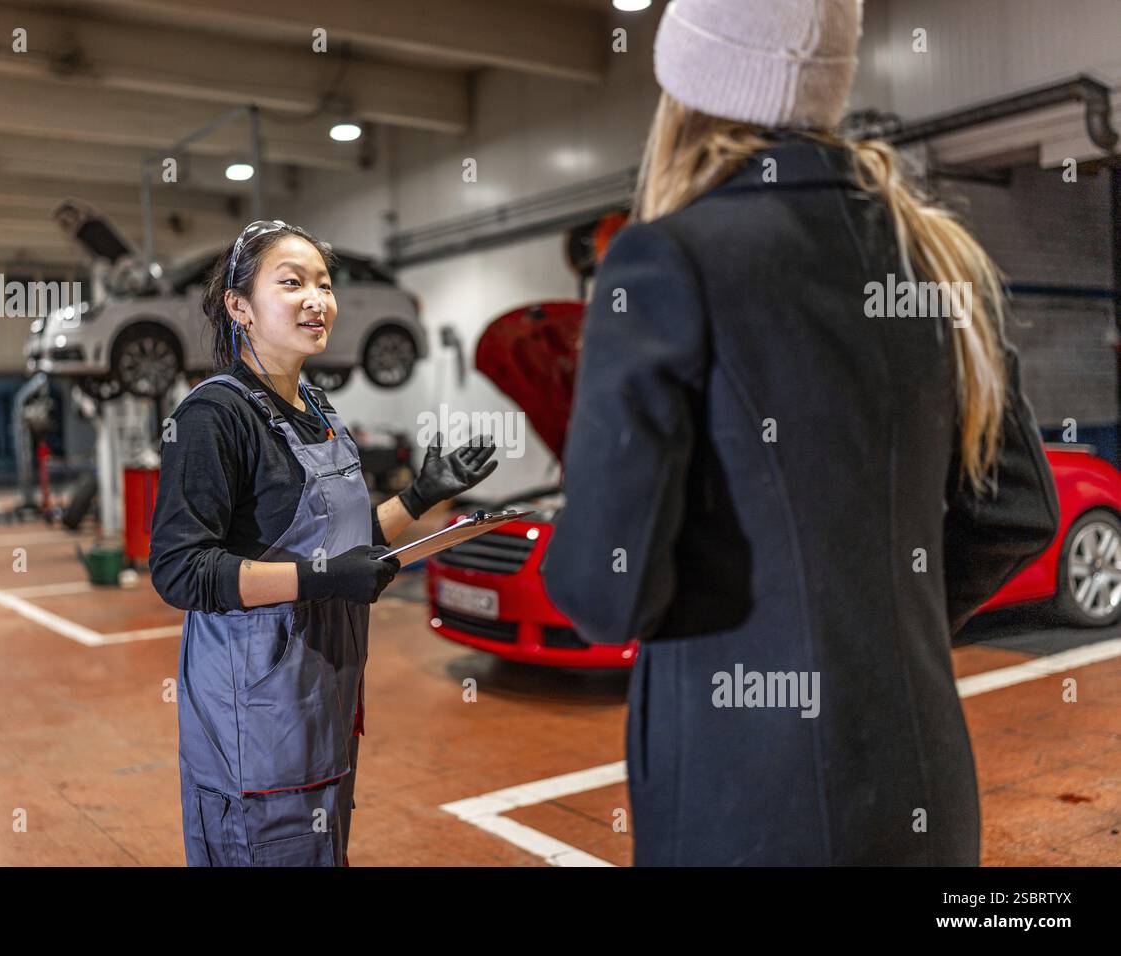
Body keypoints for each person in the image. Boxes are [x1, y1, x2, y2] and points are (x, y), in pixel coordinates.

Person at [539, 0, 1060, 865]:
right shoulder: (936, 257)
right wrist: (878, 622)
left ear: (689, 83)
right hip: (923, 790)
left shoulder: (666, 258)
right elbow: (1016, 510)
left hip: (746, 802)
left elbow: (606, 593)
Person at [149, 220, 497, 866]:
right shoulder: (212, 418)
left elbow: (341, 544)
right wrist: (319, 581)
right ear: (239, 307)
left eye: (325, 284)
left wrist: (421, 496)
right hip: (251, 744)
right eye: (293, 283)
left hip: (321, 722)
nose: (318, 299)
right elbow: (180, 570)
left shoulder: (318, 407)